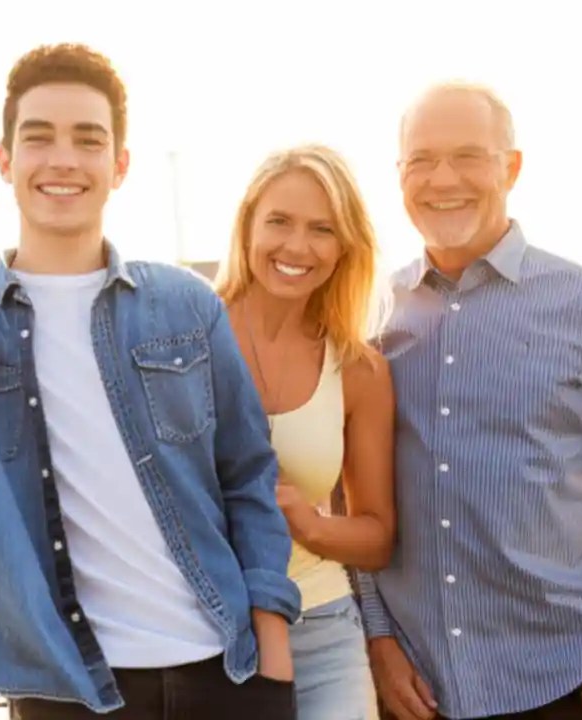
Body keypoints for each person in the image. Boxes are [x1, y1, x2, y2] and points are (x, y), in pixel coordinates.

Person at [0, 43, 302, 719]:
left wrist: (272, 646)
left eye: (87, 139)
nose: (63, 158)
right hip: (67, 690)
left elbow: (246, 473)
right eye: (38, 138)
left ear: (118, 165)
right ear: (5, 161)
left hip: (226, 675)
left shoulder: (185, 305)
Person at [357, 81, 582, 720]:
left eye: (468, 156)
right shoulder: (373, 317)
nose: (442, 179)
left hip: (564, 687)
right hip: (414, 695)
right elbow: (351, 497)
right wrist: (378, 637)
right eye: (421, 160)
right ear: (400, 175)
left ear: (510, 167)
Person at [213, 144, 396, 720]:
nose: (297, 247)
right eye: (279, 222)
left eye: (322, 229)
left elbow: (377, 537)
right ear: (247, 226)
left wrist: (311, 525)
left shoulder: (359, 369)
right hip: (201, 637)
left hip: (321, 630)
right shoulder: (185, 336)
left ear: (345, 248)